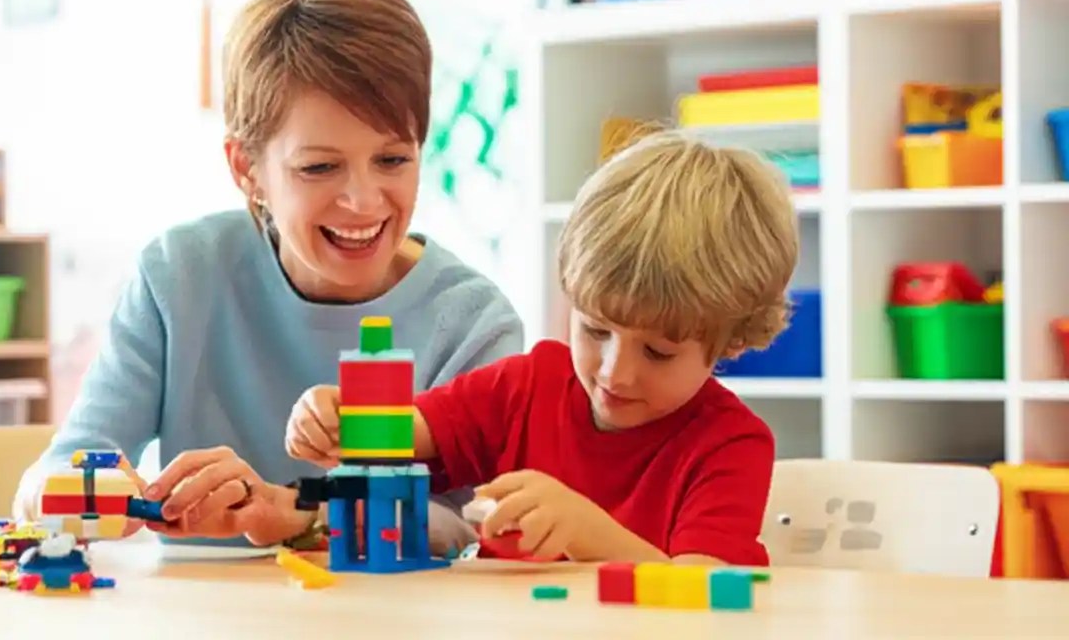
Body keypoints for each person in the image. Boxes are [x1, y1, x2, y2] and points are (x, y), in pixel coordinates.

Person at [13, 0, 523, 550]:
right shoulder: (177, 276)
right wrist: (86, 496)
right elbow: (59, 471)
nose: (363, 201)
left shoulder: (473, 322)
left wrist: (297, 515)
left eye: (393, 159)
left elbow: (467, 525)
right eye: (319, 168)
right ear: (246, 169)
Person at [281, 127, 799, 564]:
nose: (614, 372)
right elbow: (408, 433)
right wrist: (342, 421)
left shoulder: (729, 446)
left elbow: (705, 594)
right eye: (595, 330)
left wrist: (584, 531)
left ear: (733, 339)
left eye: (657, 352)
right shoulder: (531, 385)